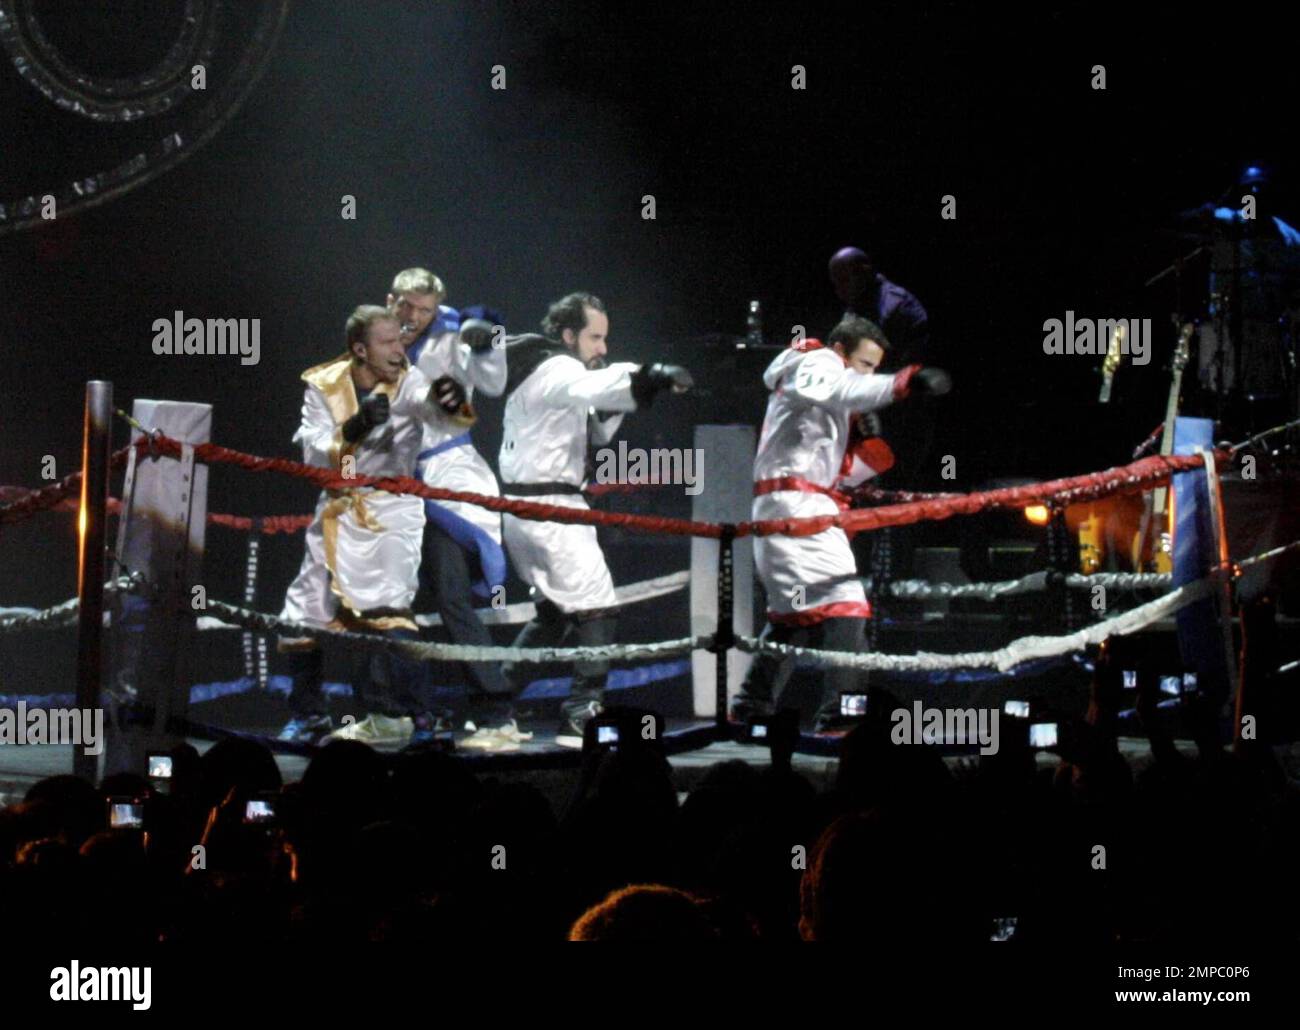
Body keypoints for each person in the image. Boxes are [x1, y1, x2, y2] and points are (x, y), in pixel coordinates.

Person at [729, 315, 950, 732]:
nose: (868, 374)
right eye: (865, 364)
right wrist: (901, 383)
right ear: (841, 351)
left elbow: (836, 470)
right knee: (847, 603)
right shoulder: (819, 362)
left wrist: (867, 451)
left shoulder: (818, 388)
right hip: (796, 507)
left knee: (795, 613)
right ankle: (841, 718)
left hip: (794, 504)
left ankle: (751, 705)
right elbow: (839, 387)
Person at [496, 292, 693, 747]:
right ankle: (581, 713)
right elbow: (600, 384)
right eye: (595, 337)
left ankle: (493, 703)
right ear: (568, 336)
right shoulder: (559, 369)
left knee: (554, 613)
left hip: (534, 508)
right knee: (598, 606)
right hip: (550, 510)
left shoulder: (547, 376)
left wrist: (640, 389)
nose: (602, 348)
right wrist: (649, 377)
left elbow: (596, 429)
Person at [275, 305, 443, 746]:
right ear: (360, 349)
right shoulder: (325, 384)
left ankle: (417, 718)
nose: (399, 348)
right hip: (336, 507)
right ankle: (309, 715)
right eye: (387, 341)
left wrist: (475, 361)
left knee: (385, 609)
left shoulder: (412, 381)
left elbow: (447, 411)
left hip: (391, 509)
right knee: (304, 611)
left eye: (400, 338)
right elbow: (313, 451)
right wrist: (353, 428)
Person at [387, 268, 523, 751]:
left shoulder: (452, 335)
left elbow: (492, 383)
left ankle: (497, 714)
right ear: (392, 300)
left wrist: (486, 340)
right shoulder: (375, 340)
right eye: (407, 307)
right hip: (391, 484)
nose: (414, 317)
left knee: (450, 596)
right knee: (387, 600)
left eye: (424, 309)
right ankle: (398, 713)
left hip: (446, 479)